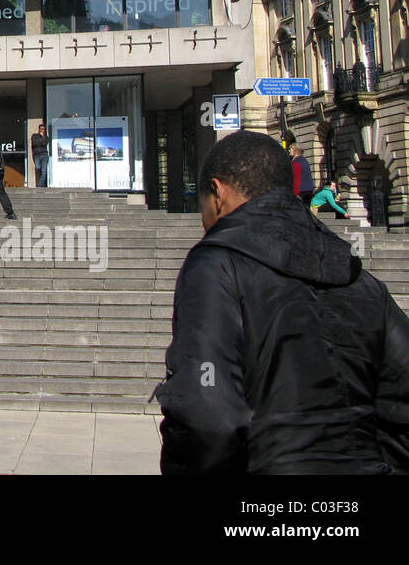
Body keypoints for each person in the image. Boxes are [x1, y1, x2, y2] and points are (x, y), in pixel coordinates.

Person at [156, 129, 409, 474]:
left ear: (217, 193)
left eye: (203, 207)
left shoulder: (216, 265)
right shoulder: (360, 278)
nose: (203, 223)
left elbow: (207, 411)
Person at [290, 141, 314, 206]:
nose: (289, 150)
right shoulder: (305, 160)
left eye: (291, 149)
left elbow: (296, 178)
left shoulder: (296, 162)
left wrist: (295, 193)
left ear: (295, 150)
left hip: (300, 191)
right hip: (309, 189)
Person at [31, 123, 49, 187]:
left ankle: (40, 185)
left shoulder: (46, 137)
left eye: (43, 129)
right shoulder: (34, 136)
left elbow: (44, 144)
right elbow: (34, 144)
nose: (42, 130)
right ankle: (39, 184)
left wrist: (42, 137)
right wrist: (40, 140)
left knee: (44, 171)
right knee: (38, 168)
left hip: (44, 155)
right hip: (37, 155)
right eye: (41, 129)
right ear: (39, 129)